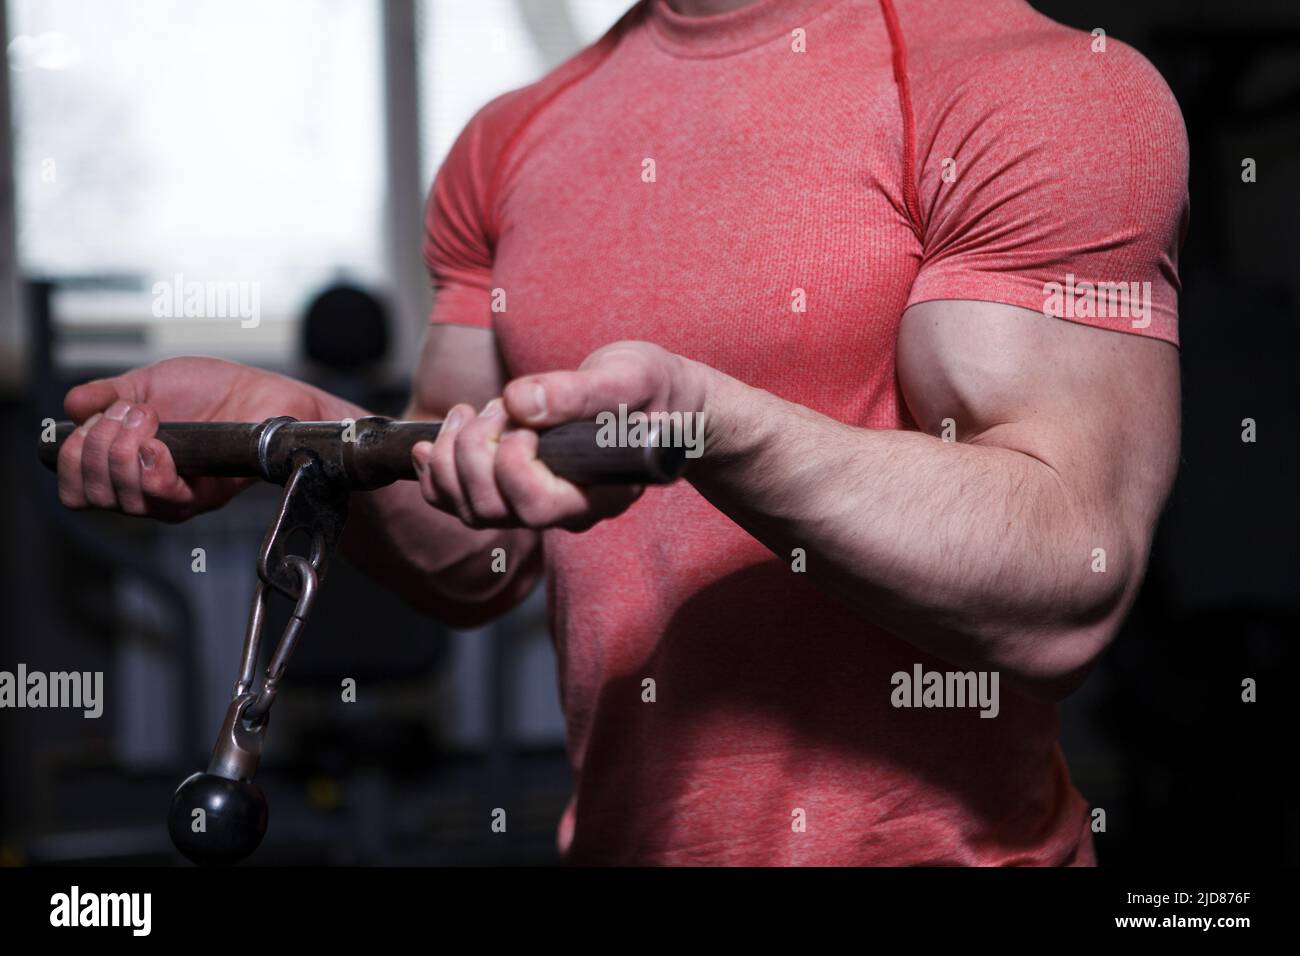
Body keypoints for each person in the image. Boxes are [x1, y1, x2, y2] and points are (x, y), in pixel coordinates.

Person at [55, 0, 1188, 865]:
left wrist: (711, 430)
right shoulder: (511, 141)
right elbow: (475, 550)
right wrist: (298, 424)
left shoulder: (1028, 88)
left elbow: (1068, 577)